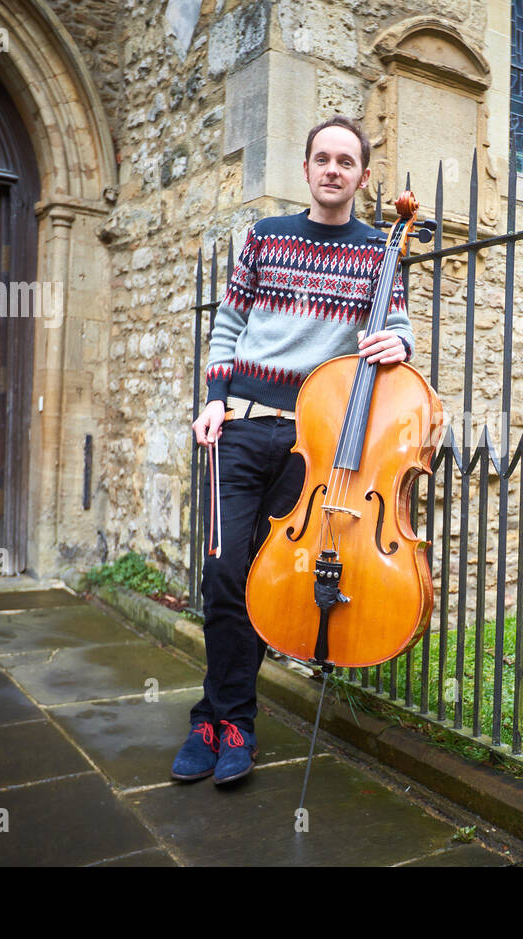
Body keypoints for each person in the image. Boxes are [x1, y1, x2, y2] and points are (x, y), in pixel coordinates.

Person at [172, 115, 416, 785]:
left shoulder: (378, 251)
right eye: (322, 158)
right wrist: (215, 396)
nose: (333, 169)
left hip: (312, 443)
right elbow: (229, 321)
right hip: (243, 426)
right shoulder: (265, 237)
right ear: (306, 169)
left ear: (363, 178)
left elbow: (395, 331)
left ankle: (234, 726)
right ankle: (211, 716)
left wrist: (402, 344)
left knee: (263, 583)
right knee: (224, 572)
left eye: (346, 161)